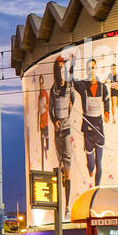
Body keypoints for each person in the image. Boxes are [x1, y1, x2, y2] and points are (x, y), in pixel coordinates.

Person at [77, 57, 112, 187]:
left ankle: (97, 187)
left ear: (96, 69)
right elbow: (73, 82)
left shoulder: (102, 87)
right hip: (87, 126)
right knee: (91, 163)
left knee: (99, 163)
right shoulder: (83, 87)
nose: (91, 70)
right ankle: (89, 167)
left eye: (93, 67)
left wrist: (107, 112)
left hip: (99, 126)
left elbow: (107, 100)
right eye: (89, 68)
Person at [48, 55, 76, 211]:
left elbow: (73, 99)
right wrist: (55, 121)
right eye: (59, 68)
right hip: (59, 128)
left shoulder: (66, 87)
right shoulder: (56, 88)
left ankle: (65, 205)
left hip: (64, 128)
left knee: (65, 162)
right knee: (62, 163)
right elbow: (52, 108)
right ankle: (63, 205)